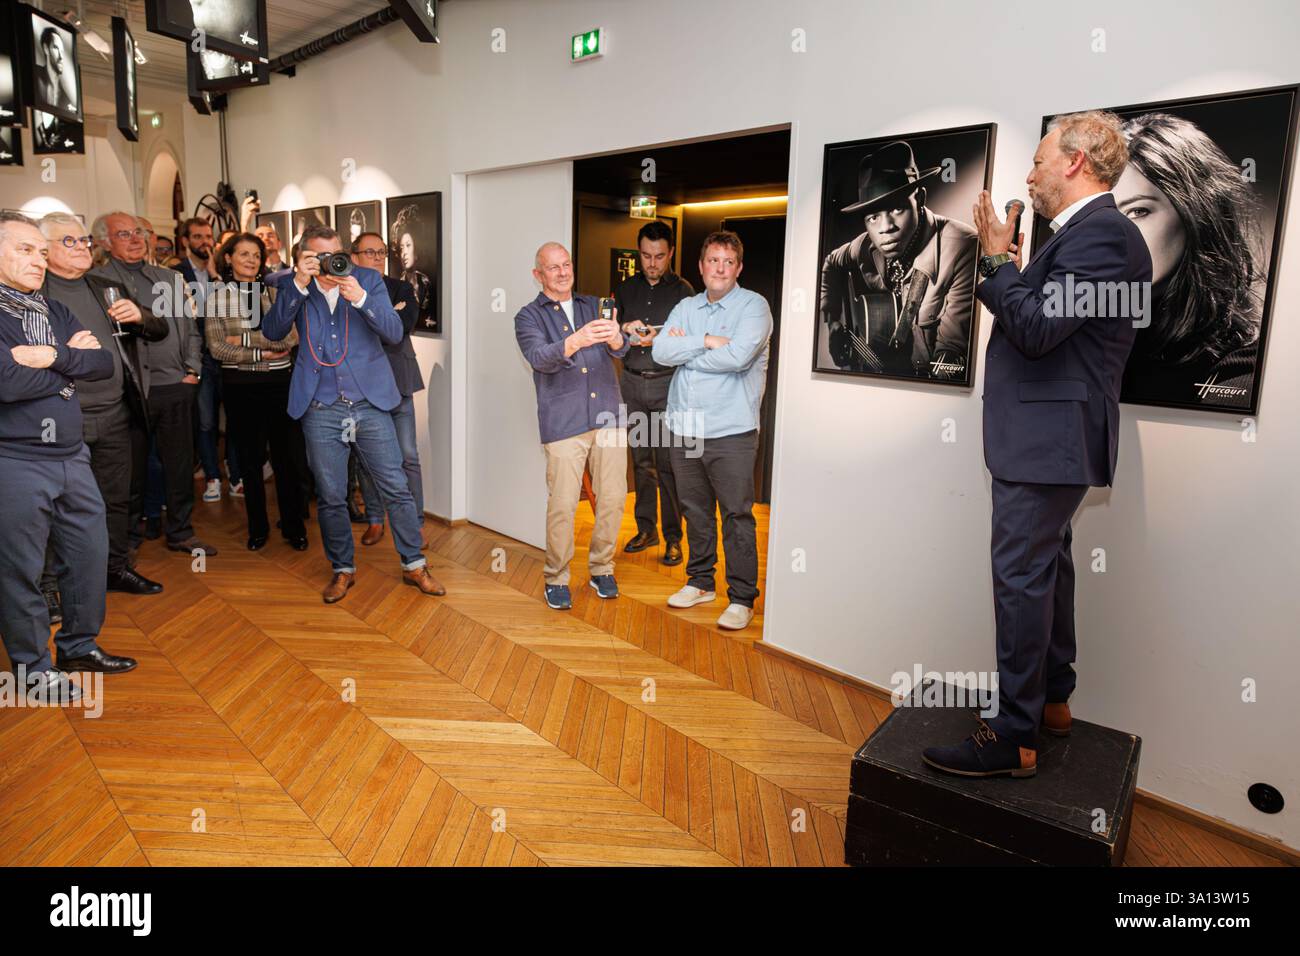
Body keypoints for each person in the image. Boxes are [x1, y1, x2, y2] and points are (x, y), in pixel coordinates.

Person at [921, 111, 1152, 778]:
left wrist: (996, 258)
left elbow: (1036, 329)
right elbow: (1047, 319)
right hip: (1049, 441)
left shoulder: (1104, 236)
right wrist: (1016, 270)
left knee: (1021, 578)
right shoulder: (1085, 237)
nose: (1030, 173)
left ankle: (1013, 736)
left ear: (1077, 162)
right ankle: (1052, 700)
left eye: (1040, 160)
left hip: (1049, 442)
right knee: (1047, 569)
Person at [261, 224, 444, 603]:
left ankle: (414, 564)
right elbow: (273, 331)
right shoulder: (297, 286)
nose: (330, 261)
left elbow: (394, 332)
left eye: (335, 252)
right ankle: (342, 570)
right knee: (330, 495)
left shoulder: (366, 281)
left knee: (396, 486)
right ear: (306, 256)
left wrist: (361, 298)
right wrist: (297, 281)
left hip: (370, 402)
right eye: (320, 255)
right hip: (320, 406)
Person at [0, 211, 136, 702]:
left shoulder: (52, 311)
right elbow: (6, 382)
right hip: (15, 461)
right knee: (21, 570)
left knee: (87, 553)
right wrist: (70, 364)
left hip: (71, 456)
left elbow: (101, 362)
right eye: (24, 249)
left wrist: (53, 357)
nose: (37, 260)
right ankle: (32, 671)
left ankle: (78, 646)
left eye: (41, 251)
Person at [38, 212, 166, 597]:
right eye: (70, 242)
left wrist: (140, 315)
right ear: (43, 250)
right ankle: (49, 588)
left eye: (84, 241)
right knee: (53, 505)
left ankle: (114, 569)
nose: (82, 248)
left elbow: (159, 329)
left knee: (116, 499)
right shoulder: (32, 292)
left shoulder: (105, 285)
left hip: (113, 414)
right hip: (59, 418)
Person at [652, 231, 772, 631]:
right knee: (695, 510)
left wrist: (687, 353)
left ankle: (741, 598)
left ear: (738, 268)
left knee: (736, 514)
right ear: (701, 266)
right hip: (684, 426)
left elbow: (738, 358)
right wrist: (705, 341)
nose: (719, 268)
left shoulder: (754, 307)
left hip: (731, 430)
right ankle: (700, 581)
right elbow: (659, 352)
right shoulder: (687, 305)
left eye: (728, 262)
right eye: (712, 260)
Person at [91, 211, 218, 558]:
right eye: (123, 234)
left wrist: (192, 370)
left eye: (138, 233)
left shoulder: (170, 278)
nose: (135, 239)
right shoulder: (95, 282)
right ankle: (128, 536)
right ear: (104, 241)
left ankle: (181, 531)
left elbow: (191, 328)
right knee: (130, 469)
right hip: (129, 393)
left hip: (174, 386)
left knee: (179, 465)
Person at [1114, 112, 1263, 408]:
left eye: (1138, 211)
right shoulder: (1088, 338)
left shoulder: (1237, 374)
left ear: (1195, 213)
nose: (1114, 234)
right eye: (1105, 215)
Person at [515, 242, 630, 611]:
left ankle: (601, 568)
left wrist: (617, 338)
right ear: (538, 274)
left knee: (613, 498)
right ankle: (556, 576)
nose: (563, 272)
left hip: (608, 416)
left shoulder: (593, 304)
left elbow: (621, 349)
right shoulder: (528, 317)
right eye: (553, 267)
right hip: (563, 422)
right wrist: (575, 340)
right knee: (563, 504)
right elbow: (538, 358)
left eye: (567, 265)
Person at [820, 140, 978, 380]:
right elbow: (831, 264)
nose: (885, 228)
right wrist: (832, 323)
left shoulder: (961, 247)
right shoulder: (865, 246)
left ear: (921, 198)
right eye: (873, 217)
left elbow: (951, 358)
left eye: (897, 209)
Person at [205, 232, 310, 552]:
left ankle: (294, 527)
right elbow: (217, 348)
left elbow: (290, 339)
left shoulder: (276, 291)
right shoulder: (216, 297)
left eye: (255, 254)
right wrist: (262, 350)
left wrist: (245, 342)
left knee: (288, 461)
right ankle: (258, 528)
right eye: (243, 254)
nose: (250, 260)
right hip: (241, 389)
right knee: (250, 464)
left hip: (280, 386)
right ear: (228, 258)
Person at [615, 221, 692, 566]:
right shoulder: (625, 289)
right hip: (631, 382)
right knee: (641, 462)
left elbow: (691, 340)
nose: (652, 263)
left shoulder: (685, 292)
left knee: (669, 464)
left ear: (670, 253)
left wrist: (658, 338)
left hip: (667, 384)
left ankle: (674, 538)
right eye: (646, 255)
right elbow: (613, 336)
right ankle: (646, 529)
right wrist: (620, 328)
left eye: (659, 256)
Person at [348, 232, 425, 547]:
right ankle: (376, 520)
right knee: (367, 458)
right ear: (354, 257)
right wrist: (386, 314)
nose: (378, 257)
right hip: (363, 386)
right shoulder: (345, 290)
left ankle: (416, 524)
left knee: (408, 456)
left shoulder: (402, 287)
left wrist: (381, 319)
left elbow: (399, 330)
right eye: (370, 252)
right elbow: (356, 334)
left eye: (381, 252)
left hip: (398, 380)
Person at [179, 216, 244, 501]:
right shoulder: (176, 274)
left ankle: (236, 476)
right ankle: (212, 477)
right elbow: (186, 318)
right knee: (205, 422)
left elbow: (237, 312)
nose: (204, 242)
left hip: (228, 359)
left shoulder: (226, 274)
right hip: (201, 359)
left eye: (208, 237)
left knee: (233, 422)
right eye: (197, 237)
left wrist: (218, 277)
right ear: (185, 242)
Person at [389, 204, 434, 331]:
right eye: (401, 247)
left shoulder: (425, 281)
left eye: (408, 245)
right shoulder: (398, 285)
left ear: (417, 248)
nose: (404, 253)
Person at [34, 28, 77, 115]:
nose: (61, 56)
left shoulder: (67, 101)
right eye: (56, 48)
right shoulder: (34, 76)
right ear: (46, 49)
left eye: (62, 51)